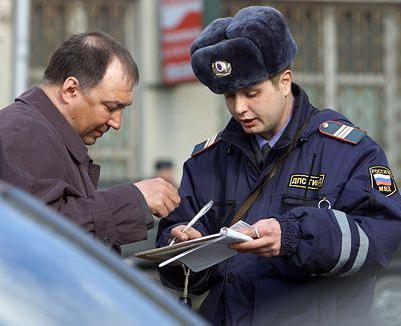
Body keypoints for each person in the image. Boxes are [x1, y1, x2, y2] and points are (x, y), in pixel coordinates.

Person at [156, 6, 401, 325]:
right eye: (229, 96)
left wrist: (295, 236)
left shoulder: (349, 152)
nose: (239, 108)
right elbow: (176, 262)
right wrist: (179, 246)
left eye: (251, 93)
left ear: (284, 81)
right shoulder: (207, 160)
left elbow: (382, 238)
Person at [0, 31, 180, 250]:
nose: (117, 123)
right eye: (111, 107)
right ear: (70, 90)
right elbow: (36, 232)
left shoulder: (42, 131)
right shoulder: (24, 132)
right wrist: (134, 199)